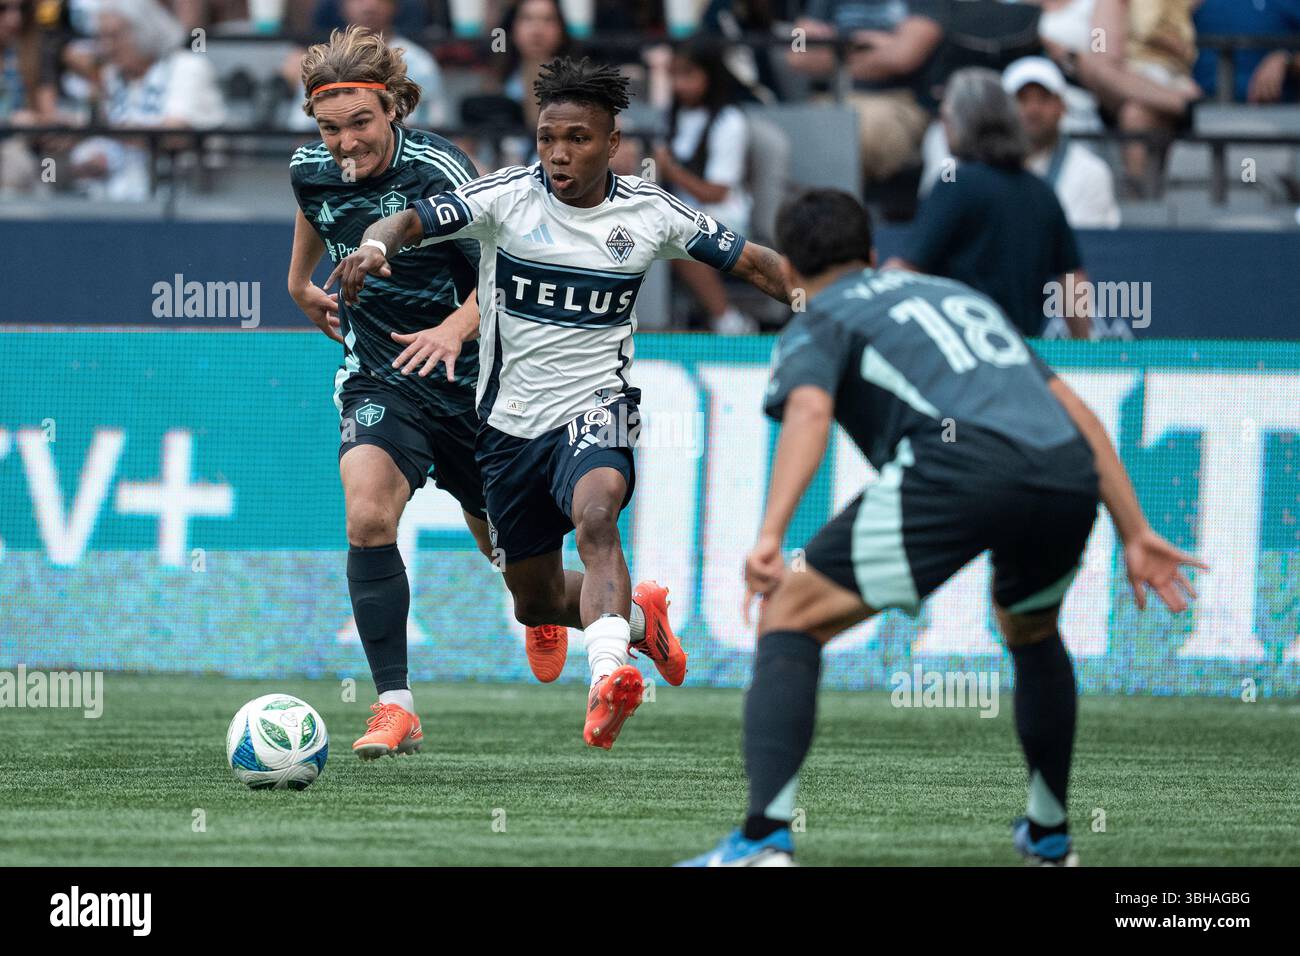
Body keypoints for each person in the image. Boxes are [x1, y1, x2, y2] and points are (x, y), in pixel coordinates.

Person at [680, 188, 1206, 866]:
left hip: (959, 467)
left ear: (794, 273)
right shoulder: (959, 299)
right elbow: (1074, 410)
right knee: (1031, 629)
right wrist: (1134, 529)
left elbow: (809, 413)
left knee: (788, 612)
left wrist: (770, 536)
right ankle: (1049, 837)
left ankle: (763, 840)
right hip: (1065, 473)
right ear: (872, 254)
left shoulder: (818, 317)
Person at [328, 56, 795, 749]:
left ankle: (607, 677)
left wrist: (841, 303)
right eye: (548, 137)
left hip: (597, 405)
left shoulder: (652, 213)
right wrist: (371, 247)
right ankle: (640, 624)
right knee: (536, 600)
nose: (558, 154)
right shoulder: (506, 198)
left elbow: (755, 262)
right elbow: (411, 222)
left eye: (577, 139)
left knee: (598, 515)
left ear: (613, 144)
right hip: (508, 429)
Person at [287, 26, 567, 760]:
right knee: (368, 517)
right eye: (329, 128)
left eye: (360, 124)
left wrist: (454, 328)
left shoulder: (442, 170)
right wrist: (297, 282)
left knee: (520, 575)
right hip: (381, 374)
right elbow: (315, 209)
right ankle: (396, 706)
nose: (345, 143)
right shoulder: (311, 169)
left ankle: (628, 619)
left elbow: (503, 280)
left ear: (395, 111)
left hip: (475, 389)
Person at [887, 68, 1091, 338]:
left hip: (964, 353)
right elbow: (1072, 281)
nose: (943, 125)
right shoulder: (1042, 191)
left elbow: (905, 269)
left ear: (964, 121)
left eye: (946, 116)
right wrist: (1085, 346)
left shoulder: (955, 184)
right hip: (1021, 354)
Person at [70, 0, 225, 201]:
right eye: (101, 37)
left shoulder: (187, 67)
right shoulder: (112, 76)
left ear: (145, 32)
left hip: (184, 203)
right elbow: (109, 139)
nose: (106, 47)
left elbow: (173, 136)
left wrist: (102, 128)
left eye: (114, 36)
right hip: (116, 203)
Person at [654, 37, 756, 334]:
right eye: (674, 74)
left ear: (709, 75)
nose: (679, 84)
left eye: (688, 74)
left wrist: (669, 169)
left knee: (682, 238)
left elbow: (717, 192)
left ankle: (728, 320)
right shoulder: (673, 116)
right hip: (683, 209)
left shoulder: (729, 121)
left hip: (726, 216)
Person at [787, 0, 943, 187]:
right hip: (830, 98)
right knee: (786, 137)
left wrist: (836, 44)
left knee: (852, 136)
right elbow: (797, 53)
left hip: (898, 100)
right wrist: (875, 44)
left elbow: (903, 56)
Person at [1003, 55, 1120, 228]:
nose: (1032, 110)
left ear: (1062, 106)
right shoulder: (981, 170)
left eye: (1044, 98)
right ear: (1004, 108)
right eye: (1022, 99)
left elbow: (1087, 246)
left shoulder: (1091, 172)